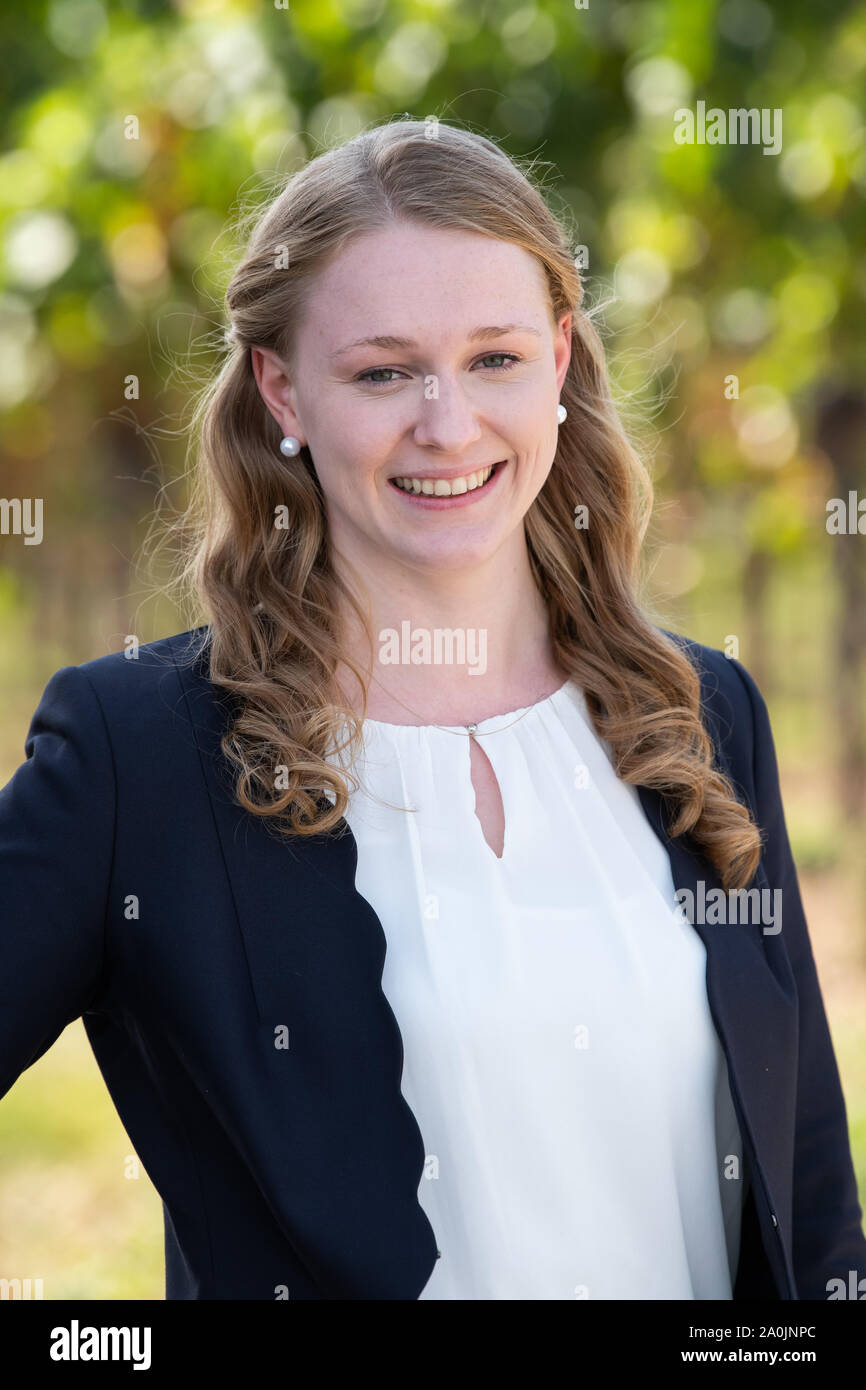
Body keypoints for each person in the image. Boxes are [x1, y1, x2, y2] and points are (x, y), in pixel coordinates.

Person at [2, 117, 864, 1301]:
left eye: (494, 358)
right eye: (382, 370)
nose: (446, 424)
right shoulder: (138, 756)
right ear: (281, 390)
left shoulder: (700, 712)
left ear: (559, 361)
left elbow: (810, 1201)